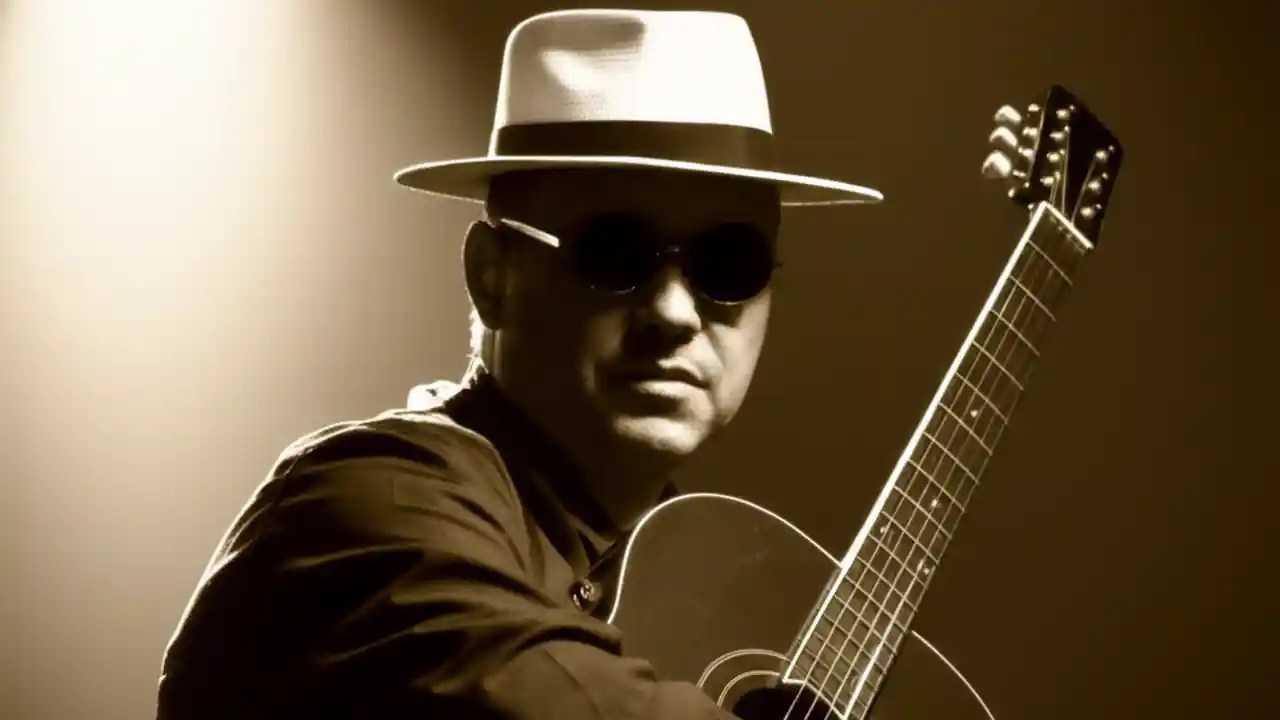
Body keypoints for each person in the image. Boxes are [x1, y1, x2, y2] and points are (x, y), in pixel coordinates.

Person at [156, 8, 881, 719]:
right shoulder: (359, 509)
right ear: (492, 275)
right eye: (615, 253)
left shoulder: (678, 571)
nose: (675, 313)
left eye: (729, 263)